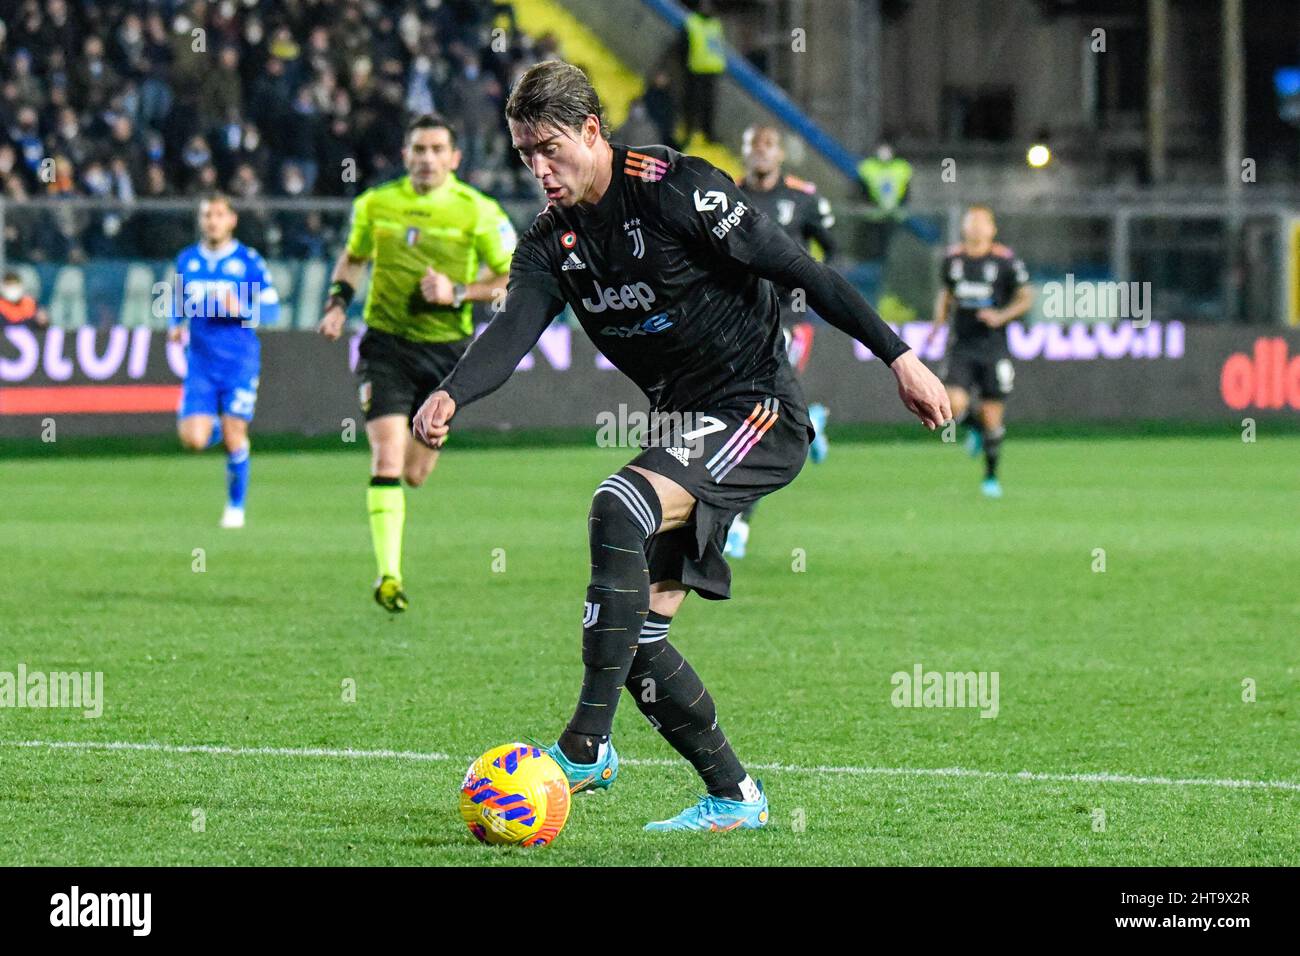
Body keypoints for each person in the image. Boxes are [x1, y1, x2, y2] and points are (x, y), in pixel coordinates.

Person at [411, 62, 950, 831]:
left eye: (551, 148)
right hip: (681, 424)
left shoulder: (676, 188)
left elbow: (801, 269)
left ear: (593, 131)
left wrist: (900, 355)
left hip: (756, 407)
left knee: (616, 504)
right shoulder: (549, 241)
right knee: (634, 638)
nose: (538, 168)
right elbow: (514, 328)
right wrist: (452, 392)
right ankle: (736, 797)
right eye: (525, 151)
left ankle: (585, 746)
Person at [318, 114, 516, 613]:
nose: (427, 158)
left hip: (448, 355)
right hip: (385, 347)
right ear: (405, 156)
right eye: (418, 149)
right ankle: (389, 575)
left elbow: (510, 278)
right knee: (386, 458)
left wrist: (458, 293)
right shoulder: (376, 204)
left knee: (415, 474)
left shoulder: (478, 211)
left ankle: (392, 556)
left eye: (436, 149)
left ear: (454, 157)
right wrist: (338, 302)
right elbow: (354, 257)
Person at [727, 123, 837, 558]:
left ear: (780, 154)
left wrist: (808, 278)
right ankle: (808, 420)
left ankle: (739, 524)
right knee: (757, 408)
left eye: (768, 146)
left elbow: (832, 248)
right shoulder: (727, 194)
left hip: (790, 313)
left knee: (763, 404)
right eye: (754, 145)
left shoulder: (804, 197)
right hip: (740, 312)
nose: (760, 153)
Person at [168, 193, 280, 528]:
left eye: (219, 215)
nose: (212, 221)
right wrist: (175, 325)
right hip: (201, 364)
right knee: (194, 440)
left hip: (239, 363)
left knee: (234, 436)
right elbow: (176, 300)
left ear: (232, 220)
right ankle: (225, 430)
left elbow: (272, 309)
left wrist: (242, 310)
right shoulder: (187, 260)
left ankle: (235, 506)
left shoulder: (248, 261)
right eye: (207, 215)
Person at [926, 205, 1033, 498]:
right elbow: (946, 293)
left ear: (991, 229)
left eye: (980, 223)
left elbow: (1026, 297)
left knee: (992, 414)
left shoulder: (1005, 261)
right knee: (952, 404)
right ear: (964, 227)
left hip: (993, 348)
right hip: (961, 344)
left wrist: (1000, 316)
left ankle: (990, 477)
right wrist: (937, 324)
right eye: (970, 222)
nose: (974, 228)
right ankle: (973, 429)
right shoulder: (952, 260)